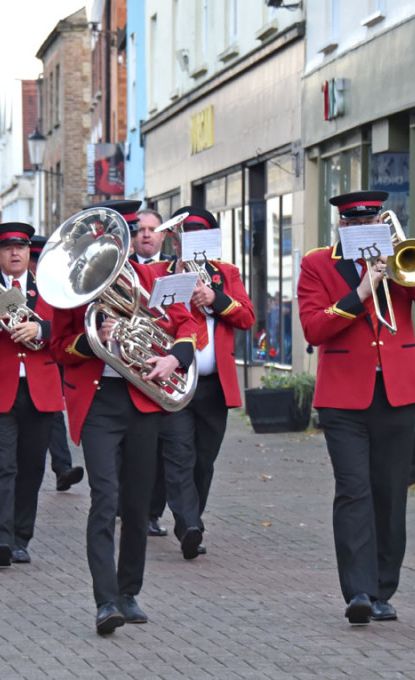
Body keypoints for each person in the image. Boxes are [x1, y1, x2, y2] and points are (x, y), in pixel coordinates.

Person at [297, 190, 415, 625]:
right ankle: (359, 592)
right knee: (353, 492)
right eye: (356, 225)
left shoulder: (402, 258)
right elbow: (314, 327)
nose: (364, 231)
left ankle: (384, 588)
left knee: (389, 493)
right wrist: (363, 290)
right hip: (343, 398)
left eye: (372, 225)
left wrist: (407, 270)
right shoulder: (318, 264)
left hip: (398, 394)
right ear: (342, 227)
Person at [49, 200, 199, 635]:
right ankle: (105, 601)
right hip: (98, 403)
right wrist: (91, 338)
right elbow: (59, 347)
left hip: (143, 399)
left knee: (136, 504)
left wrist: (175, 358)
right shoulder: (72, 286)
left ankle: (129, 592)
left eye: (124, 232)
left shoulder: (155, 277)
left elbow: (187, 324)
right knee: (105, 498)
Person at [147, 206, 256, 559]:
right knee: (179, 455)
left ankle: (192, 518)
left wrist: (216, 299)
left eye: (197, 234)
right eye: (183, 235)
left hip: (213, 384)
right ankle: (189, 525)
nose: (188, 242)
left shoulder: (226, 273)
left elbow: (247, 317)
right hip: (175, 380)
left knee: (204, 461)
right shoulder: (156, 272)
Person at [0, 222, 64, 567]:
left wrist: (41, 328)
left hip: (40, 388)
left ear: (28, 252)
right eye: (7, 248)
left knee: (32, 468)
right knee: (3, 466)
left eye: (20, 247)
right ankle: (2, 540)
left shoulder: (50, 289)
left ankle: (22, 536)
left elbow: (67, 331)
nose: (15, 253)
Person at [130, 207, 177, 536]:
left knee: (159, 448)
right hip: (126, 365)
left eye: (152, 229)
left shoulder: (174, 270)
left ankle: (151, 512)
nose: (146, 234)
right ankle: (128, 504)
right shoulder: (120, 267)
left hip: (162, 364)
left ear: (162, 235)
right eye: (140, 229)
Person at [28, 234, 83, 492]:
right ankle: (62, 468)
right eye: (33, 260)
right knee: (51, 414)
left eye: (39, 261)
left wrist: (40, 329)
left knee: (54, 413)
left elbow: (66, 325)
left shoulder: (57, 286)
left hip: (57, 354)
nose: (35, 266)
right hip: (31, 361)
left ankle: (63, 468)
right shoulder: (11, 288)